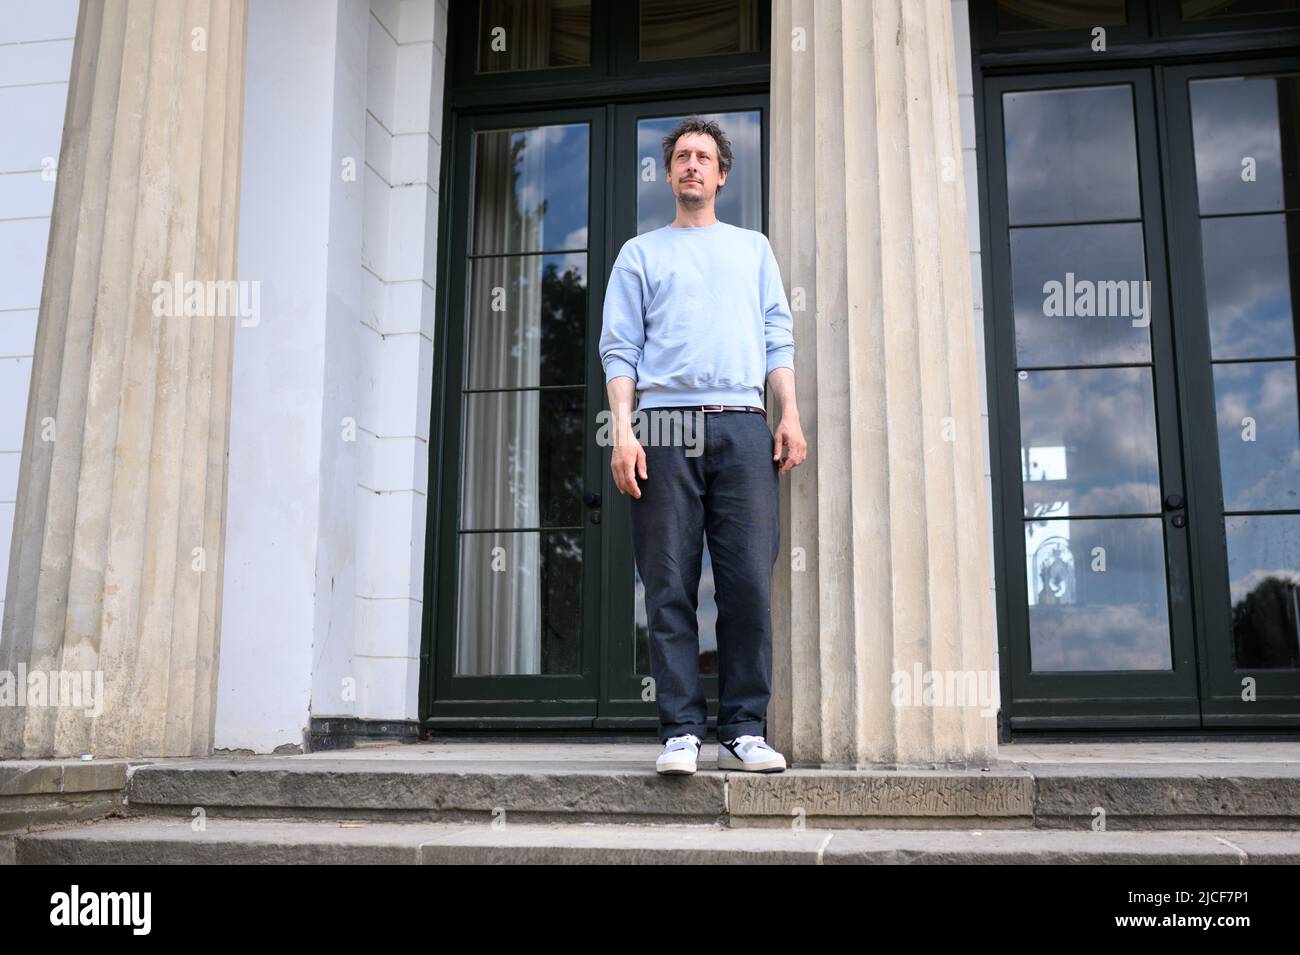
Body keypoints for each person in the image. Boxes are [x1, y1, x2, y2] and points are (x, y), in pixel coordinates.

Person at [598, 115, 807, 776]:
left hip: (743, 420)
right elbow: (619, 349)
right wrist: (623, 431)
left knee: (746, 578)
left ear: (721, 174)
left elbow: (778, 337)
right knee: (668, 583)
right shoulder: (640, 254)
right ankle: (682, 730)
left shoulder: (752, 249)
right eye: (681, 156)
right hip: (662, 425)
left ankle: (744, 727)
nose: (691, 165)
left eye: (703, 157)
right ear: (668, 174)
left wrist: (790, 414)